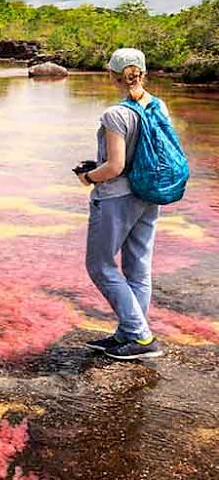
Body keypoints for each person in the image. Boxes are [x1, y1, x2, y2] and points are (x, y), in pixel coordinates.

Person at [77, 48, 167, 360]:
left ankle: (141, 336)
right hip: (149, 193)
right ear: (143, 73)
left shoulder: (115, 115)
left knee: (100, 265)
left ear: (112, 76)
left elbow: (115, 167)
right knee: (138, 268)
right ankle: (128, 334)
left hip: (116, 197)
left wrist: (89, 176)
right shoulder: (159, 106)